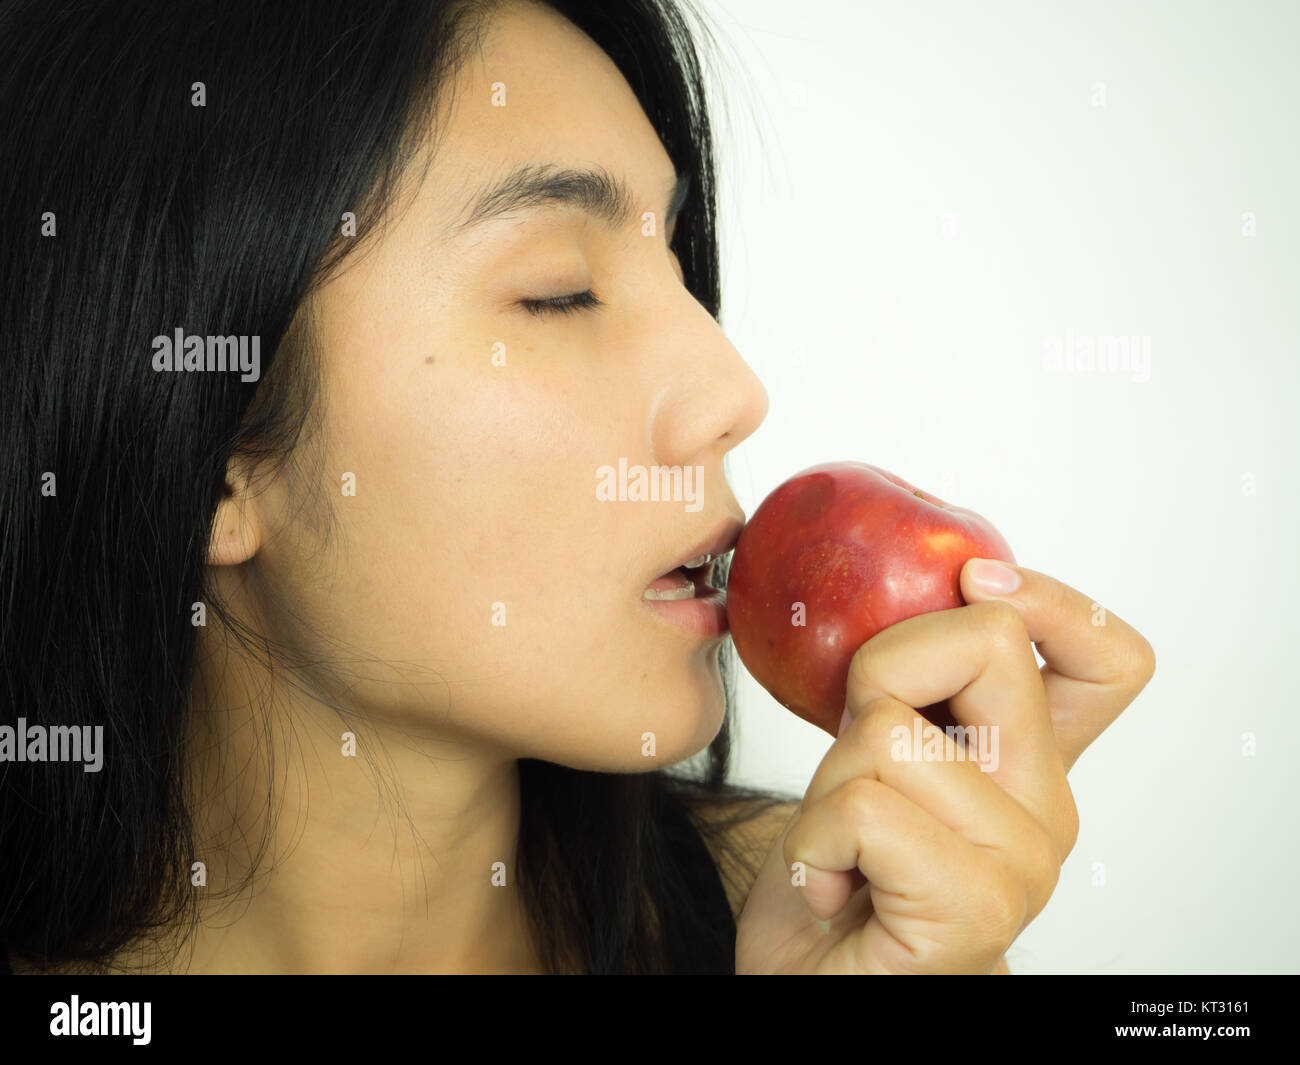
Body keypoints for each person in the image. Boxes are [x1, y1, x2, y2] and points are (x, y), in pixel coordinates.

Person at [0, 0, 1154, 975]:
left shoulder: (822, 920)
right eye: (557, 291)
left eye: (674, 260)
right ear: (211, 456)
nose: (731, 390)